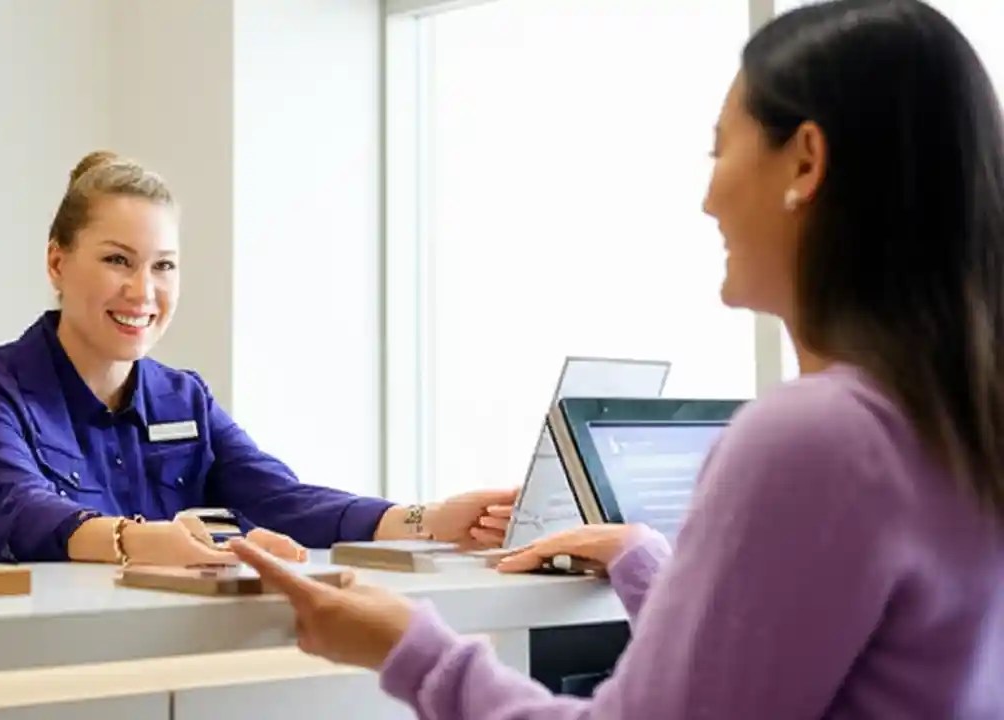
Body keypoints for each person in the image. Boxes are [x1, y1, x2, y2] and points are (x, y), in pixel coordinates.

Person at [228, 1, 1004, 717]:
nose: (708, 199)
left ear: (805, 162)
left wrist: (408, 647)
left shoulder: (817, 437)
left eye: (719, 149)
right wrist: (647, 565)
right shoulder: (959, 423)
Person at [0, 150, 515, 565]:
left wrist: (429, 521)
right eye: (118, 260)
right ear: (57, 263)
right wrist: (139, 539)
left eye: (163, 265)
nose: (143, 291)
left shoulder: (185, 398)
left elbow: (282, 501)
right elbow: (13, 510)